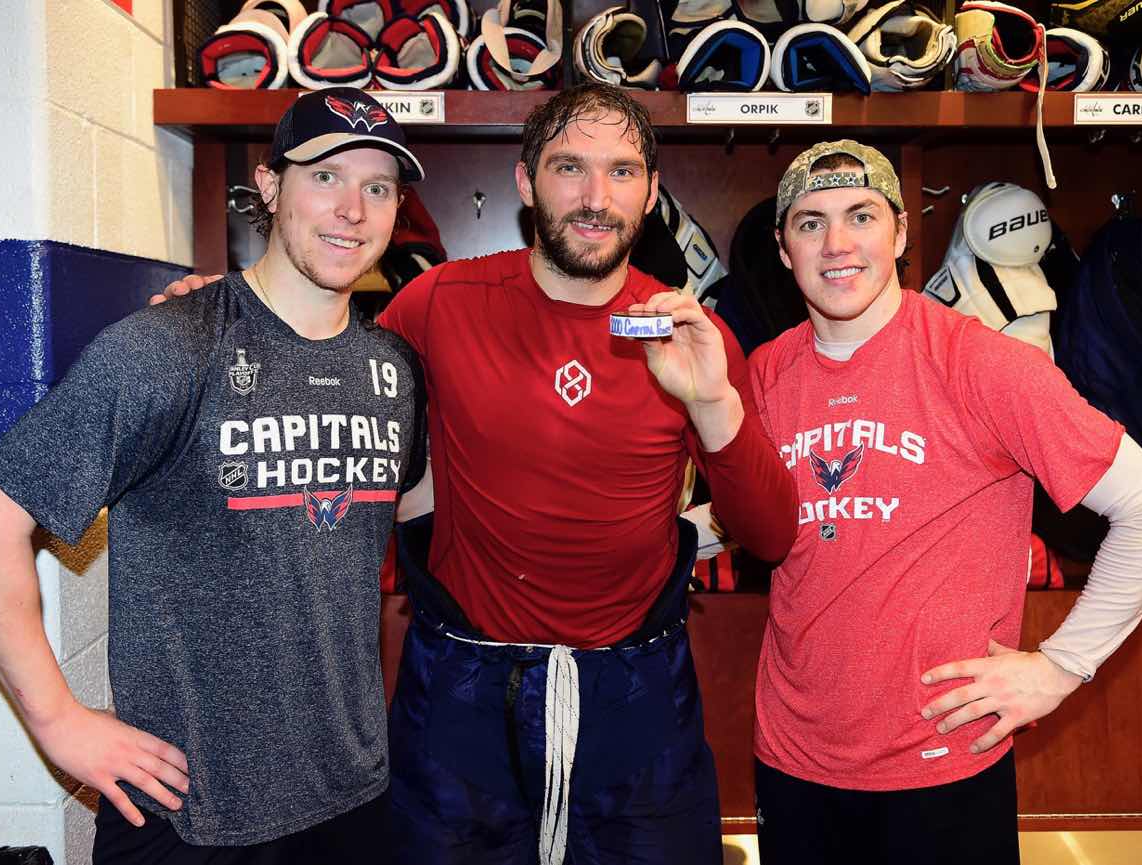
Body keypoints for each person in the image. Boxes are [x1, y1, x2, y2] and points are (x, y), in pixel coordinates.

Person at [155, 83, 798, 865]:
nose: (596, 198)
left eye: (622, 172)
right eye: (569, 168)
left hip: (636, 705)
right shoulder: (441, 302)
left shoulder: (688, 334)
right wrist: (224, 316)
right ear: (527, 184)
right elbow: (317, 359)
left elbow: (770, 535)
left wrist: (715, 402)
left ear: (652, 191)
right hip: (465, 697)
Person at [0, 87, 429, 864]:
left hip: (353, 798)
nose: (352, 211)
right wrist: (59, 721)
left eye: (377, 187)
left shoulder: (393, 369)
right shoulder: (169, 347)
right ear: (270, 187)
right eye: (325, 177)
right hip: (188, 810)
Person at [746, 139, 1142, 864]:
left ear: (898, 231)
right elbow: (768, 518)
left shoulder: (982, 362)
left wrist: (1060, 666)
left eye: (860, 215)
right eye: (809, 221)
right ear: (782, 245)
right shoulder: (765, 372)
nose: (836, 243)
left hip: (942, 762)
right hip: (793, 761)